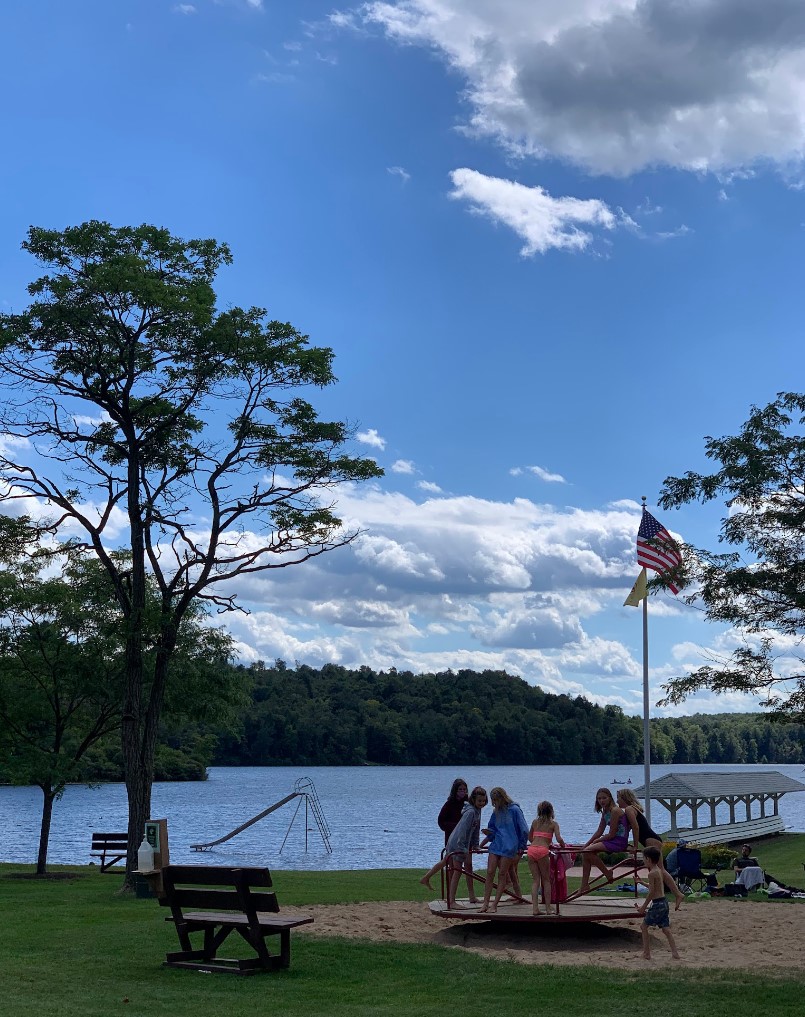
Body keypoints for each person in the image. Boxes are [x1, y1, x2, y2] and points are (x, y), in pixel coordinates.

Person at [420, 786, 487, 907]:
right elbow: (462, 830)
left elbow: (476, 829)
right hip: (458, 842)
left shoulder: (477, 810)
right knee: (457, 870)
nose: (482, 803)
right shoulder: (471, 812)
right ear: (473, 800)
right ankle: (451, 901)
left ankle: (426, 878)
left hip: (460, 842)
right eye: (479, 801)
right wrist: (462, 848)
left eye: (483, 801)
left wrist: (476, 845)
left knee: (449, 862)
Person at [617, 789, 685, 904]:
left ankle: (676, 894)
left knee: (658, 870)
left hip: (650, 840)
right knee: (658, 870)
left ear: (624, 798)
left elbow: (635, 827)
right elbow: (629, 829)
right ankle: (663, 895)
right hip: (652, 839)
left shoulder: (629, 809)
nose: (617, 800)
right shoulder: (632, 809)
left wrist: (634, 846)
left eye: (618, 797)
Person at [480, 786, 528, 913]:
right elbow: (493, 829)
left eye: (496, 800)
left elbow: (524, 830)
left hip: (509, 846)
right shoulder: (496, 812)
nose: (494, 803)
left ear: (502, 798)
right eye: (493, 800)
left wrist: (521, 847)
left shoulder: (515, 810)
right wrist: (488, 833)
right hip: (496, 845)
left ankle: (494, 904)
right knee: (490, 872)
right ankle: (485, 903)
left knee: (502, 873)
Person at [578, 787, 628, 894]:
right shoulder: (605, 811)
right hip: (611, 839)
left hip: (618, 840)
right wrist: (587, 844)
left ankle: (607, 873)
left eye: (604, 798)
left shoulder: (615, 810)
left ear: (610, 798)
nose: (601, 801)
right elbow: (599, 831)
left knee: (587, 852)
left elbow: (612, 834)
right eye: (599, 798)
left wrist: (596, 842)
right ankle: (584, 885)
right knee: (586, 853)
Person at [637, 846, 681, 960]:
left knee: (643, 926)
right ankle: (675, 952)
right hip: (664, 903)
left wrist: (643, 907)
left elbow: (651, 892)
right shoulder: (659, 871)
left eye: (644, 858)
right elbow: (655, 888)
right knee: (666, 929)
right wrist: (642, 883)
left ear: (649, 859)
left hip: (657, 904)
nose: (643, 861)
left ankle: (646, 953)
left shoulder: (651, 873)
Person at [436, 778, 476, 900]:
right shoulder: (449, 804)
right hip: (452, 839)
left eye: (464, 789)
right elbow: (441, 822)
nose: (462, 792)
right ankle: (450, 896)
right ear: (455, 790)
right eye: (460, 789)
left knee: (468, 866)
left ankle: (471, 895)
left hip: (466, 840)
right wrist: (456, 826)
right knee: (453, 868)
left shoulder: (468, 804)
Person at [527, 800, 565, 916]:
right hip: (543, 851)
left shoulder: (535, 822)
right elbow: (558, 838)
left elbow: (530, 838)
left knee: (535, 880)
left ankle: (535, 908)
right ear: (551, 811)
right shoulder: (553, 824)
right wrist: (563, 845)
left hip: (532, 850)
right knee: (546, 880)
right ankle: (548, 908)